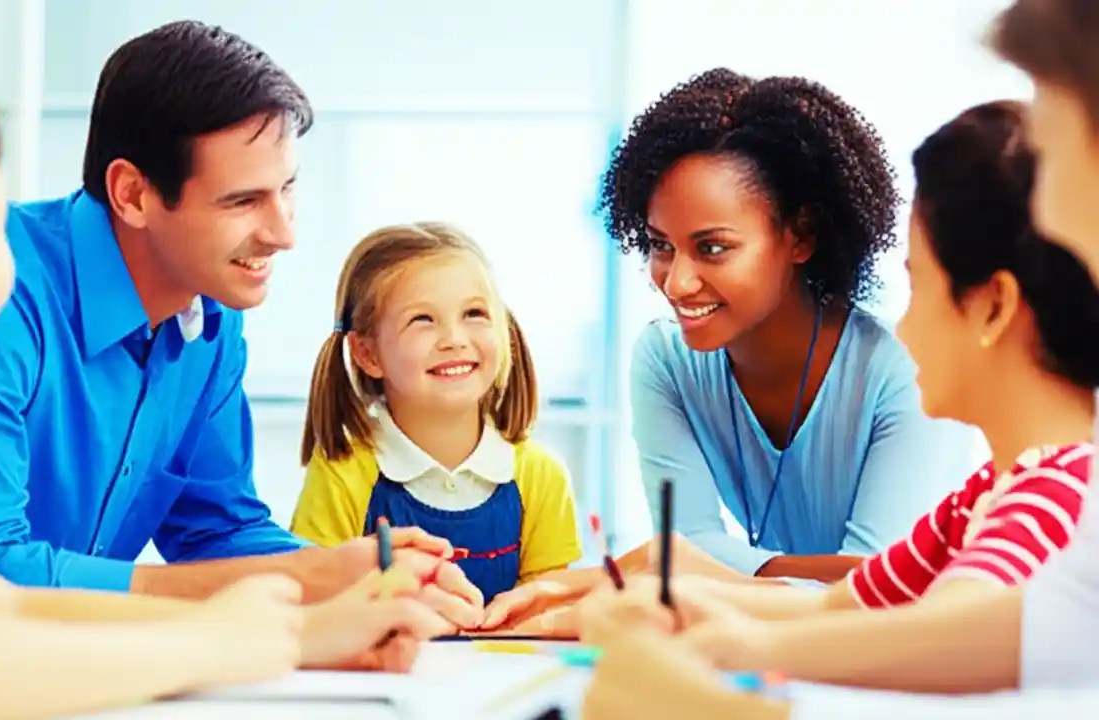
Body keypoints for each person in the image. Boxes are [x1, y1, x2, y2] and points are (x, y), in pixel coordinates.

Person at [0, 3, 451, 718]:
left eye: (287, 190)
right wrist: (236, 635)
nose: (283, 234)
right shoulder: (13, 306)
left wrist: (305, 619)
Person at [578, 14, 1099, 707]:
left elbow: (952, 631)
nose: (901, 326)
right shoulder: (987, 493)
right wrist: (698, 613)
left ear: (993, 307)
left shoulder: (1056, 487)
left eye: (918, 287)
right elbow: (848, 604)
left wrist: (728, 660)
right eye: (662, 246)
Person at [601, 67, 976, 582]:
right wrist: (685, 561)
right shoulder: (666, 360)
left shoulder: (905, 373)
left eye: (713, 248)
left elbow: (880, 584)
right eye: (661, 245)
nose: (677, 282)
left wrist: (696, 564)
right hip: (788, 630)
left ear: (801, 236)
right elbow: (685, 545)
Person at [290, 222, 583, 615]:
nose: (454, 339)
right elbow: (315, 601)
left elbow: (546, 608)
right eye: (422, 320)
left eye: (474, 313)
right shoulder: (342, 473)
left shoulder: (541, 476)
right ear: (368, 354)